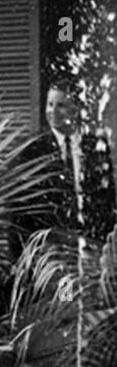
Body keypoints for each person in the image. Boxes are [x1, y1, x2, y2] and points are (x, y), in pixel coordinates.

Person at [21, 79, 115, 246]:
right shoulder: (33, 149)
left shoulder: (95, 146)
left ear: (75, 109)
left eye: (61, 105)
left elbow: (107, 200)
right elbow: (21, 209)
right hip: (48, 250)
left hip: (91, 246)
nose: (53, 111)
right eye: (50, 104)